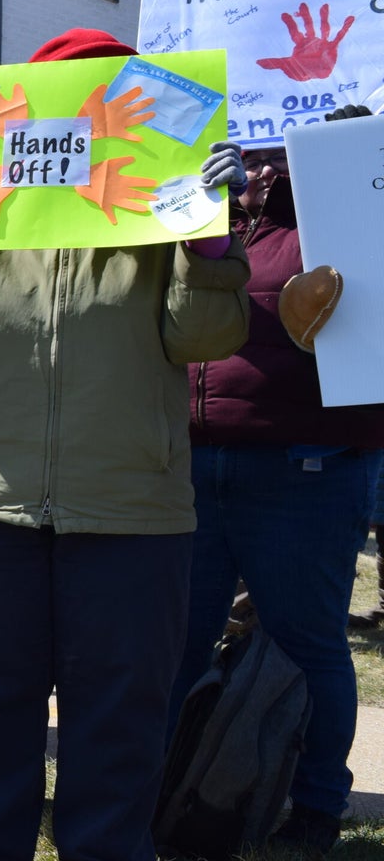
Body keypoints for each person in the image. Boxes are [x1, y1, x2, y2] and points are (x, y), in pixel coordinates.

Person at [0, 28, 251, 861]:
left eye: (96, 96)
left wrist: (209, 243)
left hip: (130, 511)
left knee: (117, 731)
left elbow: (204, 338)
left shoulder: (162, 210)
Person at [167, 109, 384, 853]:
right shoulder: (213, 205)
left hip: (308, 464)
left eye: (274, 150)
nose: (261, 162)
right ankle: (168, 796)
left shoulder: (349, 202)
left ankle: (317, 811)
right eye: (256, 149)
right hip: (191, 465)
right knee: (176, 644)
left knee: (306, 643)